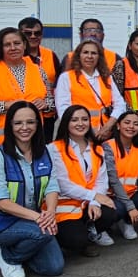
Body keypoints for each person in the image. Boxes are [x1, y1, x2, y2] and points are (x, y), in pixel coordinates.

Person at [0, 101, 64, 277]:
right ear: (10, 126)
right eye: (18, 123)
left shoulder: (46, 152)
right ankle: (7, 257)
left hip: (30, 219)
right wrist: (39, 218)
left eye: (30, 122)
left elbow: (52, 187)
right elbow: (1, 203)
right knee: (43, 233)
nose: (24, 128)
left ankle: (18, 249)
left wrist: (50, 212)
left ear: (38, 124)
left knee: (54, 267)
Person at [49, 104, 122, 255]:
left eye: (84, 119)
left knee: (111, 212)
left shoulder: (96, 148)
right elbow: (62, 184)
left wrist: (95, 202)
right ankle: (70, 238)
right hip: (64, 206)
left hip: (86, 203)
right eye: (74, 120)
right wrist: (94, 196)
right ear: (66, 123)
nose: (80, 123)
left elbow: (101, 181)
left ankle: (90, 233)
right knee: (75, 240)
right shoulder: (54, 148)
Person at [0, 27, 54, 151]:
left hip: (33, 141)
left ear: (24, 45)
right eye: (7, 45)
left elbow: (51, 102)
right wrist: (5, 105)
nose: (13, 48)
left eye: (17, 43)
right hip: (1, 144)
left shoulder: (39, 71)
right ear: (0, 48)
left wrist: (45, 104)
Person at [54, 41, 125, 139]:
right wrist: (82, 130)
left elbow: (120, 104)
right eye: (85, 52)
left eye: (94, 53)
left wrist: (108, 127)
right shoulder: (66, 77)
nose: (89, 56)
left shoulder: (107, 77)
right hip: (79, 135)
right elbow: (63, 109)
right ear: (78, 56)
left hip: (106, 134)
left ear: (99, 57)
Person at [105, 109, 138, 240]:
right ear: (118, 125)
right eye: (127, 122)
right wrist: (130, 207)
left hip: (131, 193)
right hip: (110, 195)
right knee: (115, 210)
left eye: (136, 124)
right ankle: (100, 229)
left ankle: (126, 221)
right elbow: (113, 180)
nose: (131, 126)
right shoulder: (108, 146)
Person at [18, 17, 59, 82]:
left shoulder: (50, 55)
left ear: (42, 35)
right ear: (19, 35)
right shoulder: (14, 55)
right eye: (28, 33)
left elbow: (59, 82)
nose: (33, 36)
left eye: (37, 33)